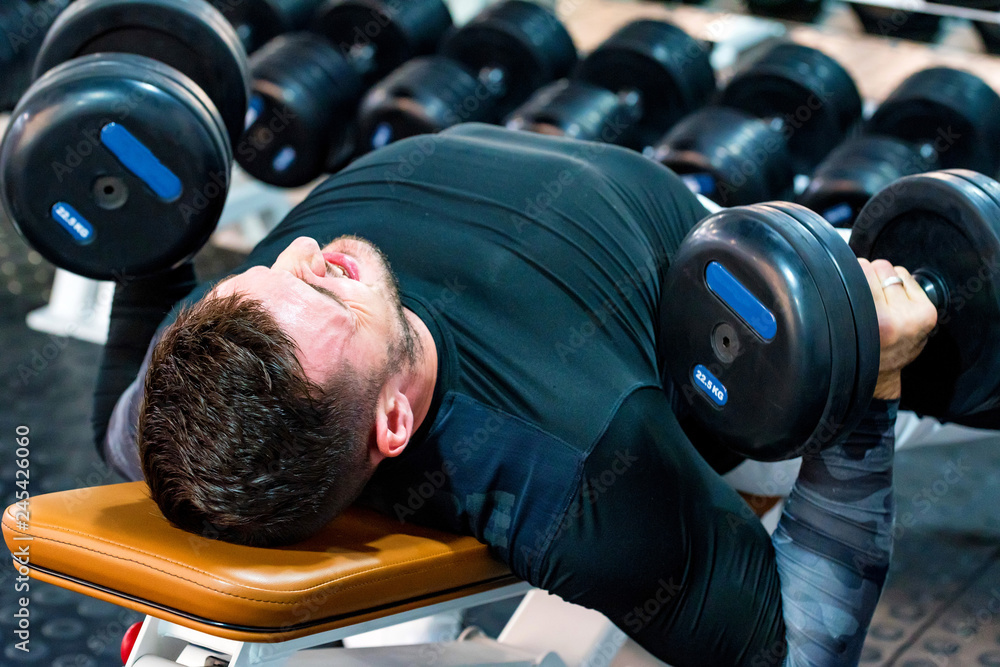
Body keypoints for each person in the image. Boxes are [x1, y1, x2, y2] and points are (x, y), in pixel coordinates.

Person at [94, 124, 937, 665]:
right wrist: (875, 386)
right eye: (323, 292)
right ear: (392, 419)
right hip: (527, 191)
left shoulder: (192, 364)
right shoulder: (568, 467)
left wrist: (869, 386)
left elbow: (795, 647)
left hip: (707, 272)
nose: (307, 248)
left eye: (270, 270)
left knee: (776, 446)